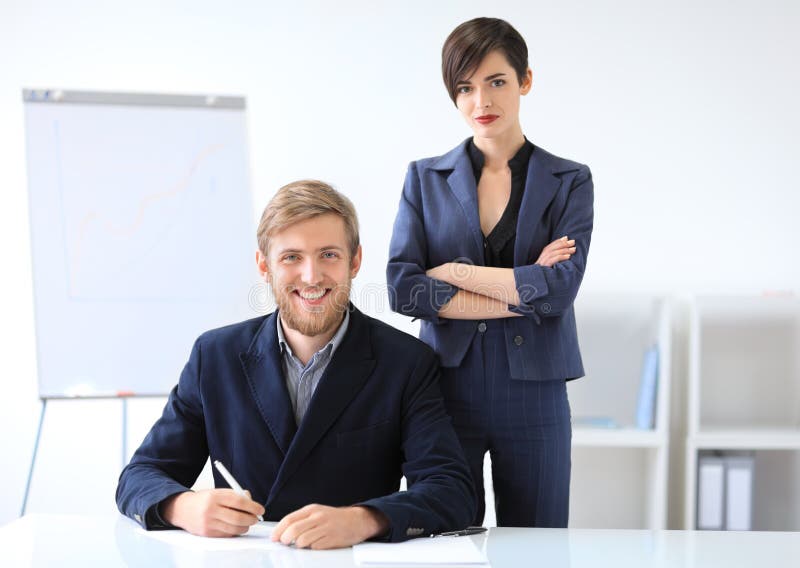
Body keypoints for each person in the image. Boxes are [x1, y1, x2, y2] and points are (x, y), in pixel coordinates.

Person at [117, 180, 475, 549]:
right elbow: (140, 475)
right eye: (291, 257)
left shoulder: (406, 362)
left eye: (328, 255)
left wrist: (364, 519)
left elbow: (451, 491)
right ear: (264, 265)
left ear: (354, 261)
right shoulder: (215, 356)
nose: (311, 276)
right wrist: (182, 507)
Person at [387, 17, 593, 528]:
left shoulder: (570, 180)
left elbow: (559, 291)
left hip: (536, 391)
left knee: (540, 545)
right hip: (445, 388)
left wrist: (454, 272)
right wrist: (524, 288)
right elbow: (403, 289)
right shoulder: (424, 178)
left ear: (525, 80)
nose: (481, 101)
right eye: (465, 88)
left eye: (496, 81)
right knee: (446, 538)